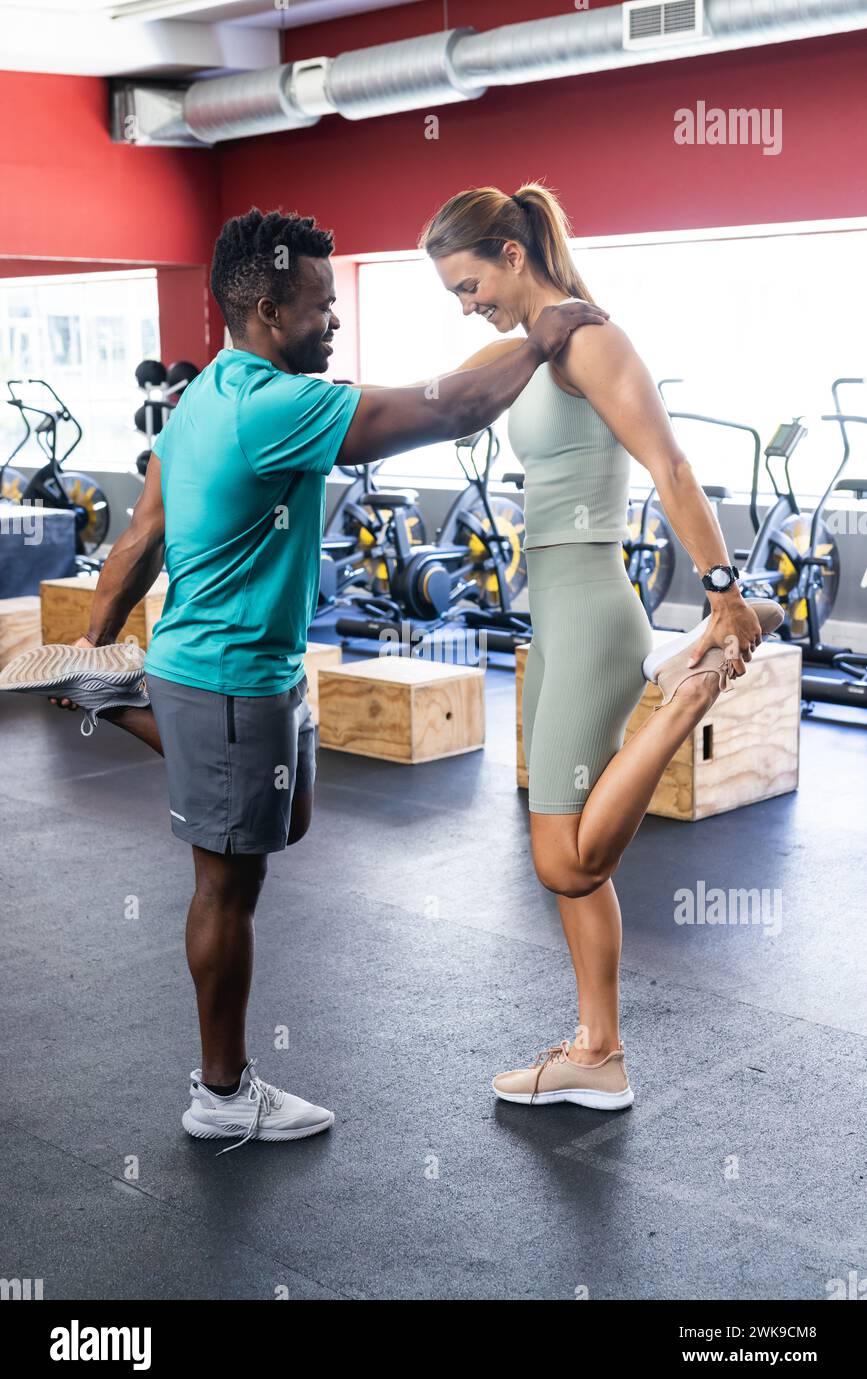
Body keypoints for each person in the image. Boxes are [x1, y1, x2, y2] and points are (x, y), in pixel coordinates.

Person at [0, 207, 608, 1151]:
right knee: (227, 884)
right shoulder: (271, 406)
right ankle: (222, 1092)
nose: (334, 323)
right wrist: (542, 332)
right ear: (270, 308)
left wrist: (95, 646)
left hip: (246, 672)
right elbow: (444, 407)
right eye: (322, 308)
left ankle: (126, 696)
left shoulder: (199, 398)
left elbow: (139, 534)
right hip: (229, 673)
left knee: (288, 817)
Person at [420, 182, 782, 1109]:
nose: (468, 305)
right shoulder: (532, 348)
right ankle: (597, 1052)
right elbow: (449, 400)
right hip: (556, 612)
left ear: (510, 252)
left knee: (564, 861)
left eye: (469, 284)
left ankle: (688, 693)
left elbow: (670, 466)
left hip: (589, 609)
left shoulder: (593, 341)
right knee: (566, 855)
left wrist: (723, 594)